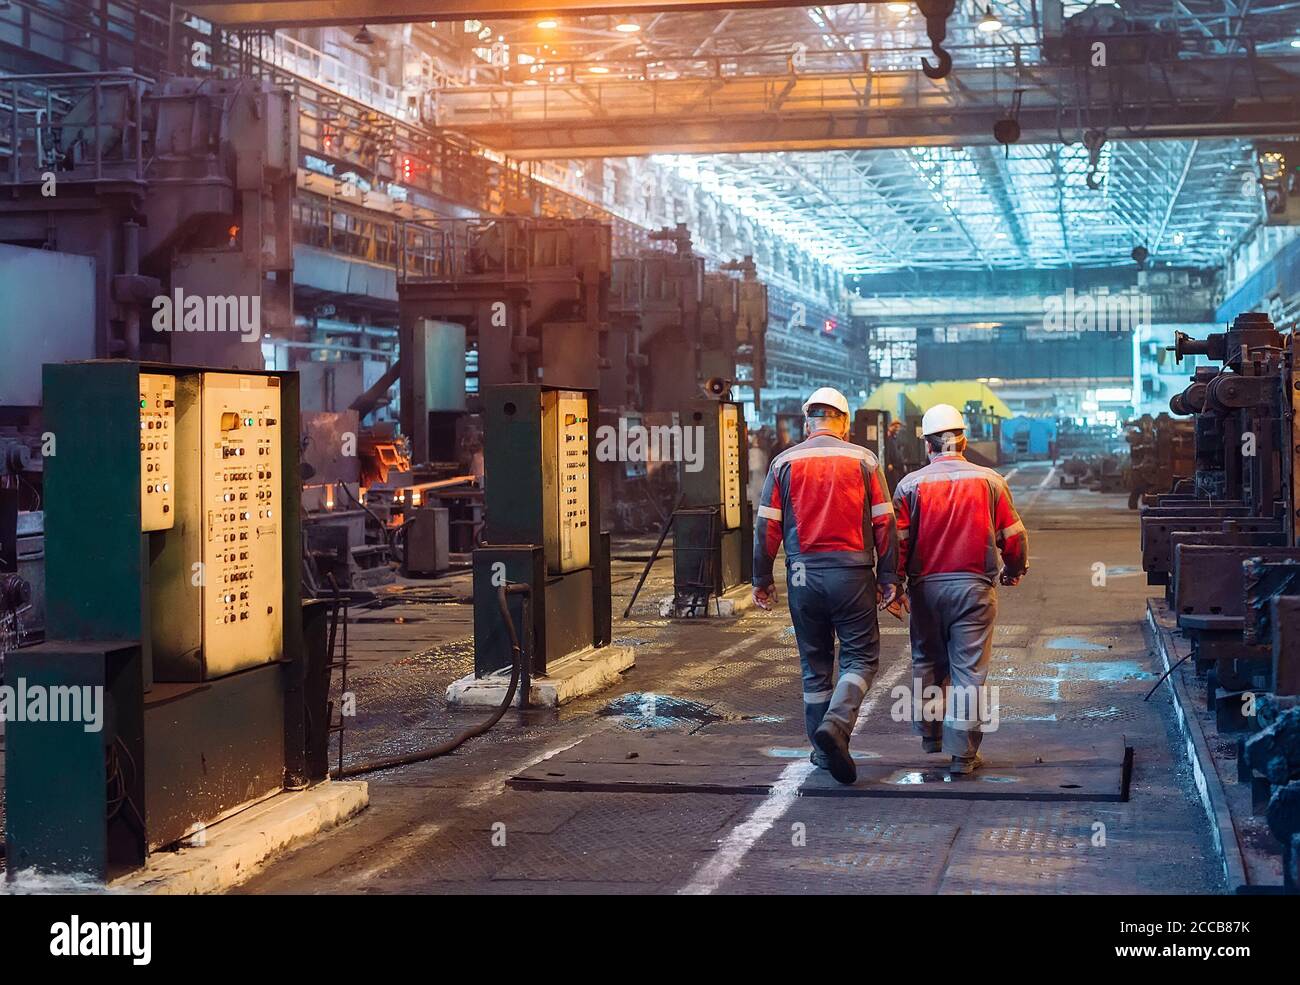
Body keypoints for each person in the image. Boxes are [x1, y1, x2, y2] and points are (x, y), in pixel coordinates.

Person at [752, 387, 900, 784]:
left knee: (815, 667)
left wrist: (761, 579)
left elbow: (767, 526)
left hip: (802, 576)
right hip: (852, 574)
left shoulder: (784, 462)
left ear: (807, 422)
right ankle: (836, 725)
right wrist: (889, 577)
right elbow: (884, 524)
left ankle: (822, 752)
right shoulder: (864, 460)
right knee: (861, 658)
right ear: (845, 423)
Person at [892, 403, 1029, 774]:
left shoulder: (909, 485)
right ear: (964, 440)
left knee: (927, 663)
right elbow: (1013, 535)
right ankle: (962, 755)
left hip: (926, 591)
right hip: (973, 589)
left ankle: (930, 736)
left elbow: (898, 543)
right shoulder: (990, 481)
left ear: (927, 445)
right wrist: (1014, 569)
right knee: (968, 672)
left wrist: (893, 583)